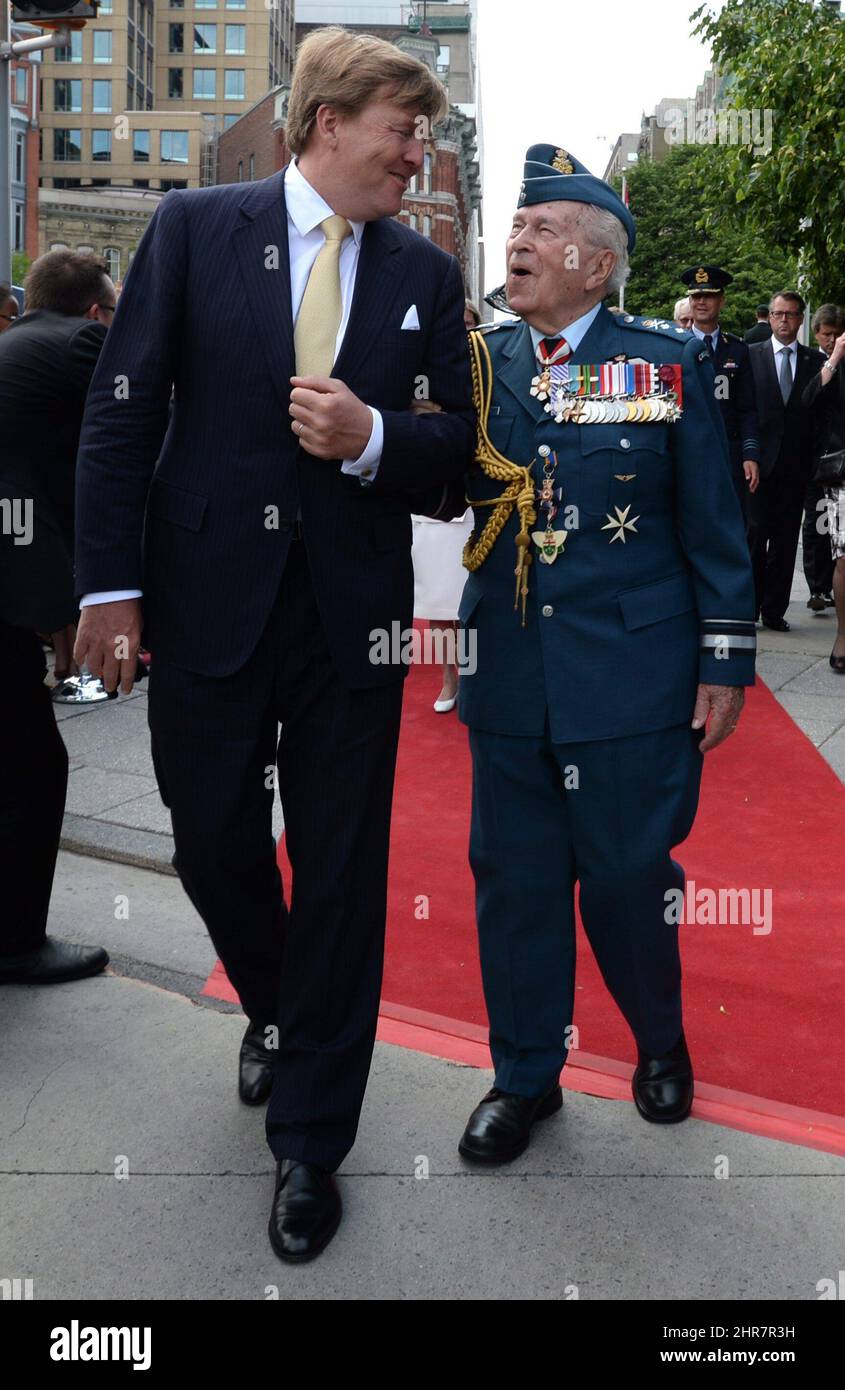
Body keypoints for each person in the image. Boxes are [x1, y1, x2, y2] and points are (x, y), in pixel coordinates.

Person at [72, 26, 474, 1263]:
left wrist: (367, 436)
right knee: (211, 842)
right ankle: (281, 1006)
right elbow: (119, 412)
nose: (416, 153)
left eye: (424, 133)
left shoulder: (420, 271)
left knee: (344, 875)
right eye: (401, 129)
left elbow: (459, 459)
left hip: (350, 625)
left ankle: (310, 1142)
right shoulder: (195, 228)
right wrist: (111, 588)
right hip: (203, 604)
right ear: (325, 123)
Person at [436, 142, 756, 1165]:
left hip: (629, 675)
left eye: (538, 230)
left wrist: (723, 660)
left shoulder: (664, 362)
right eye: (516, 227)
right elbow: (434, 474)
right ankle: (524, 1075)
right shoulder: (477, 361)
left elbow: (710, 523)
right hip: (509, 674)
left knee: (625, 878)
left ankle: (657, 1039)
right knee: (514, 882)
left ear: (592, 261)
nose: (515, 242)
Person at [0, 251, 115, 986]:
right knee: (32, 766)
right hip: (10, 583)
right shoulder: (81, 345)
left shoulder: (16, 344)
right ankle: (16, 943)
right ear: (99, 312)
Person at [411, 297, 478, 712]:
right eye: (458, 323)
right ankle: (449, 677)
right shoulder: (422, 365)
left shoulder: (493, 367)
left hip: (481, 498)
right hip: (436, 497)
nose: (465, 331)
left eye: (471, 324)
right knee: (439, 597)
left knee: (475, 597)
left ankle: (476, 676)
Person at [748, 292, 825, 631]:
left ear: (800, 319)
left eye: (791, 315)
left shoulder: (813, 362)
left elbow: (819, 415)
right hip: (758, 466)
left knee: (784, 541)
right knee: (753, 537)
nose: (783, 320)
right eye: (778, 313)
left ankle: (774, 610)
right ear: (770, 316)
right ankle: (748, 606)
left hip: (795, 467)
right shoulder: (751, 356)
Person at [680, 265, 760, 518]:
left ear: (722, 300)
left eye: (709, 295)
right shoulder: (674, 346)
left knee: (730, 523)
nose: (701, 302)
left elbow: (747, 408)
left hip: (728, 453)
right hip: (686, 452)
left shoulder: (737, 350)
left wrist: (750, 453)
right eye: (695, 296)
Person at [803, 325, 845, 671]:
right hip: (843, 475)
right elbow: (810, 399)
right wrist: (835, 357)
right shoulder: (837, 363)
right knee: (844, 558)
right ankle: (843, 636)